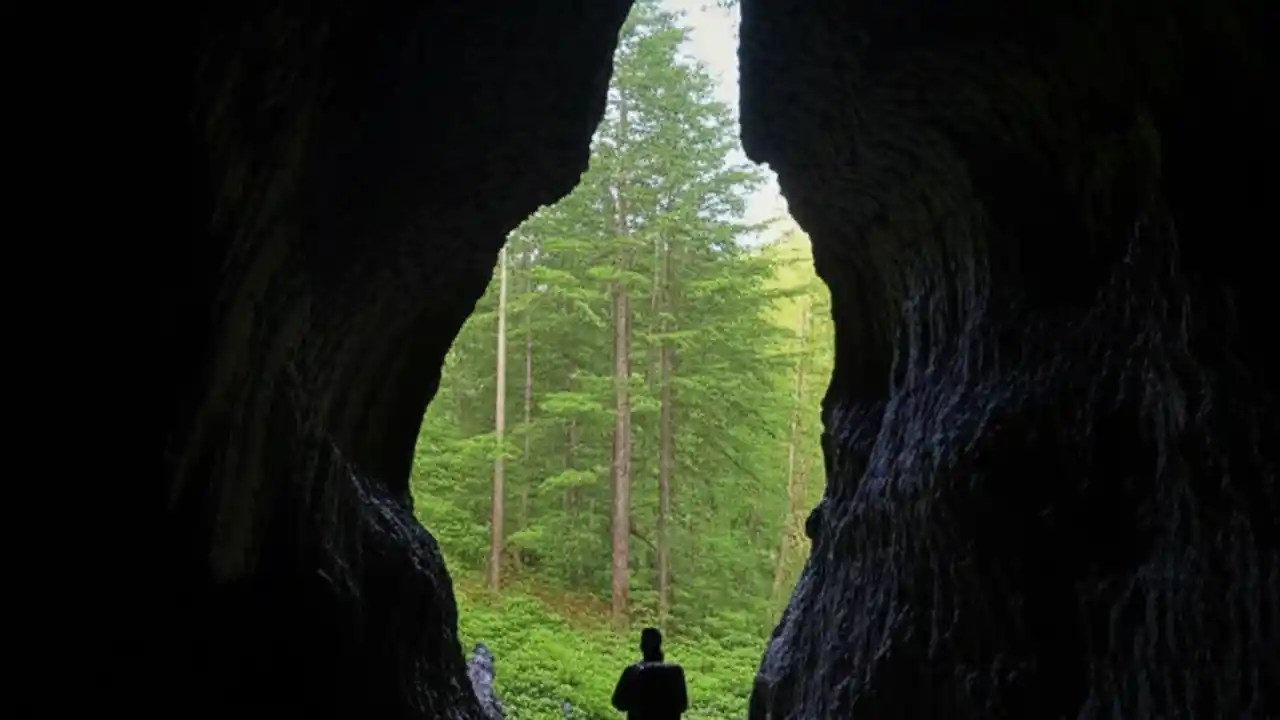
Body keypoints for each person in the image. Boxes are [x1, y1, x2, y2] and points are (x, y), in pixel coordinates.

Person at [610, 627, 688, 719]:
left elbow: (618, 703)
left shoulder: (633, 671)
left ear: (642, 646)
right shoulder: (676, 672)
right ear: (660, 644)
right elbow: (683, 706)